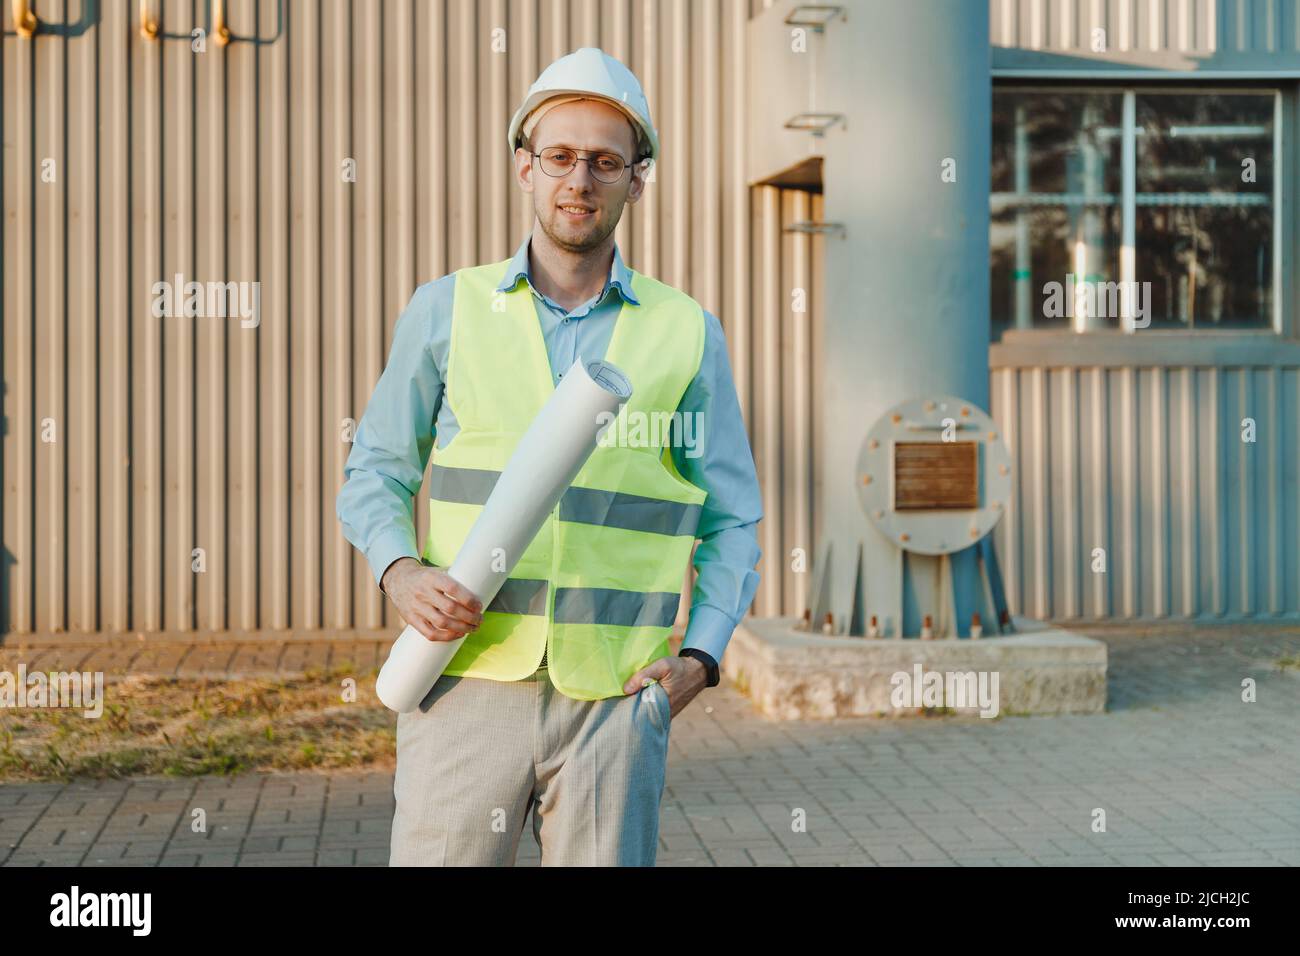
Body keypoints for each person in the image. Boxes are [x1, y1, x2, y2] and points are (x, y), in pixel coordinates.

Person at [337, 47, 762, 866]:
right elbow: (376, 471)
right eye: (561, 157)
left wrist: (702, 661)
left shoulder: (685, 331)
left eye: (606, 162)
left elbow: (733, 515)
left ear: (638, 179)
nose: (580, 181)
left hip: (617, 698)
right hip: (465, 680)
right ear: (524, 168)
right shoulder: (445, 310)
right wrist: (400, 571)